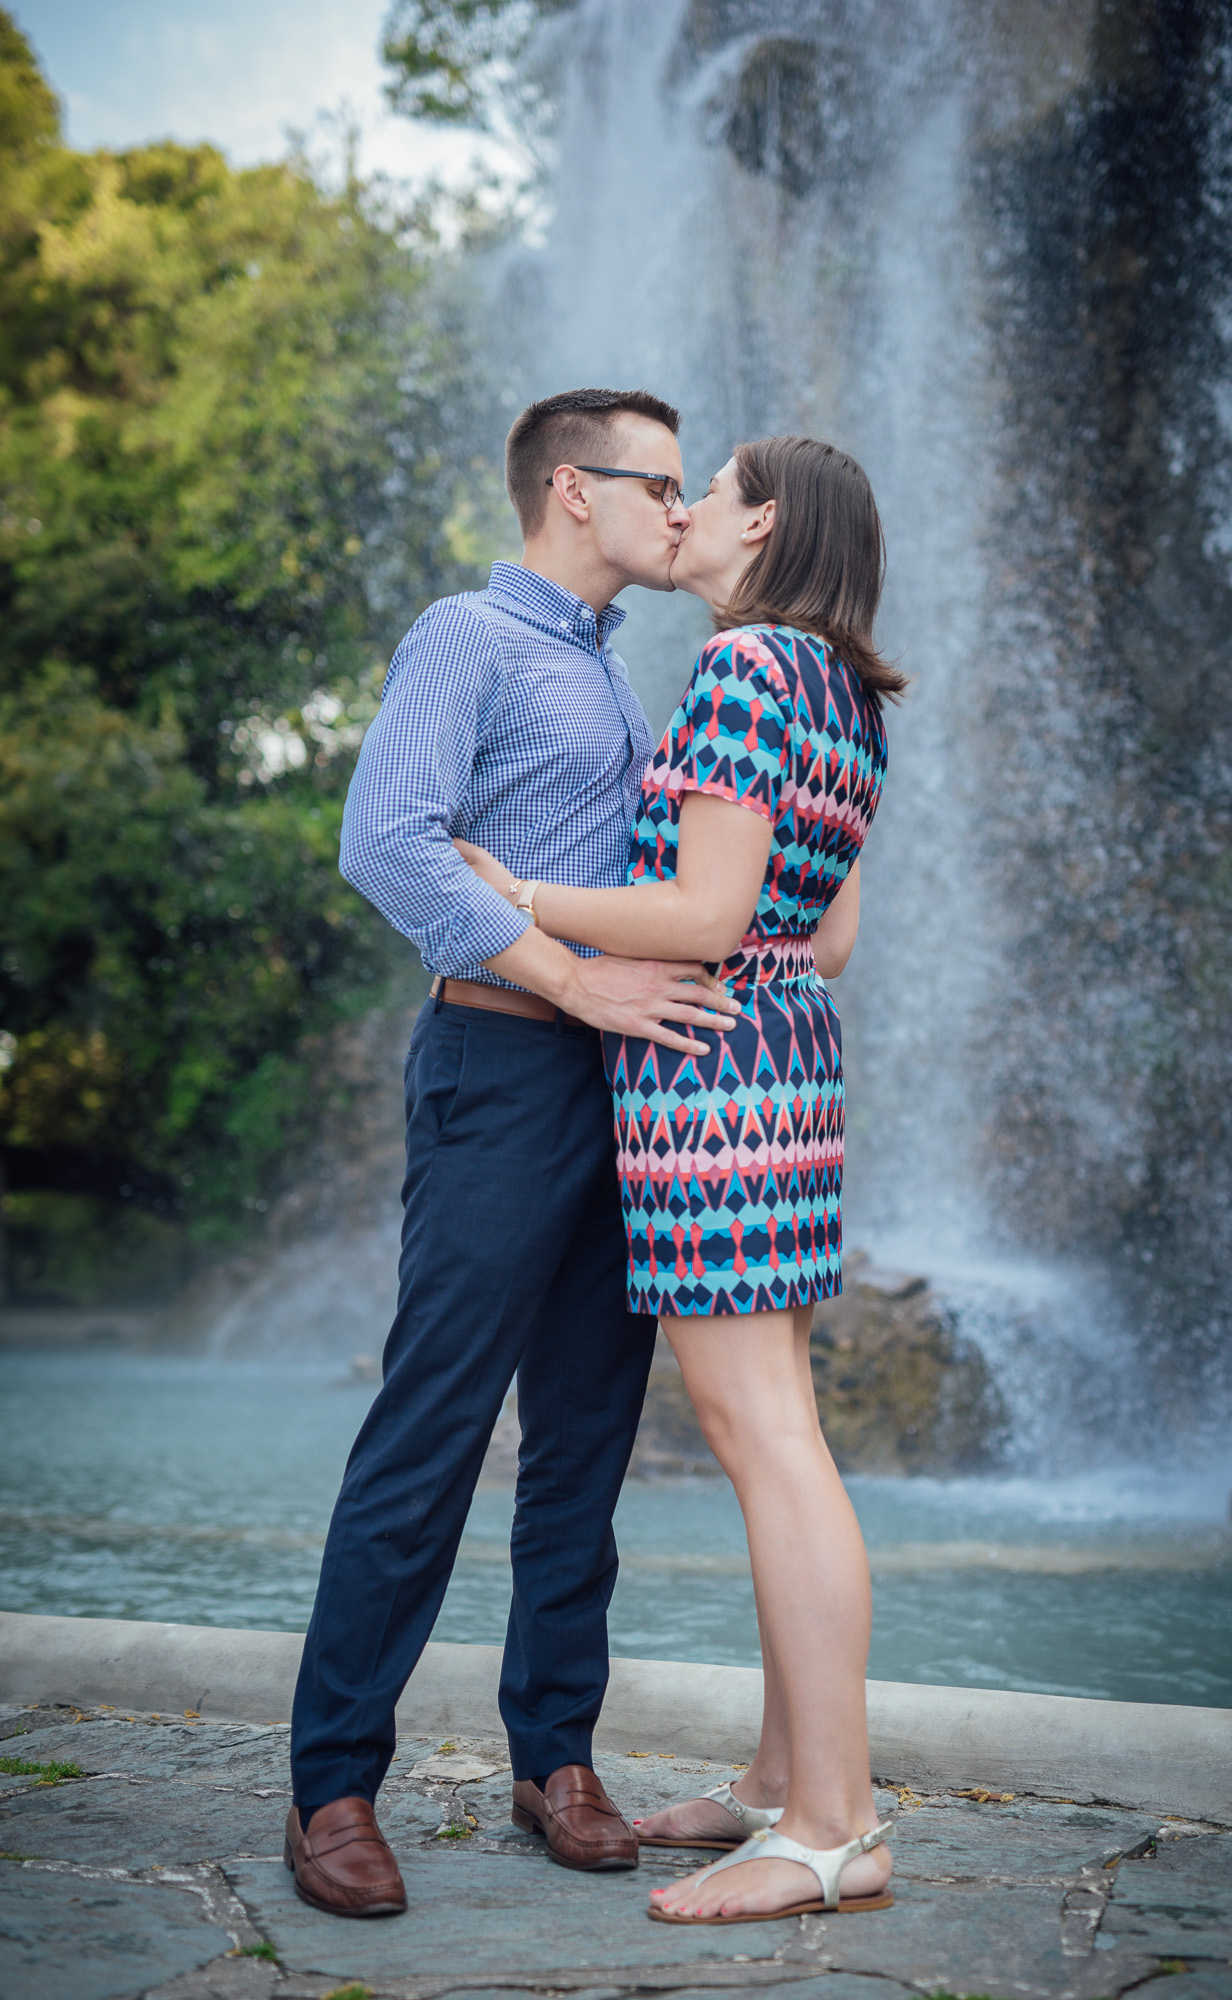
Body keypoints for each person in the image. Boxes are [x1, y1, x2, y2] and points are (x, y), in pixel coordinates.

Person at [284, 388, 743, 1919]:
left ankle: (559, 1759)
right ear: (571, 487)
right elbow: (385, 841)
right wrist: (575, 978)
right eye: (659, 485)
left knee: (588, 1445)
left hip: (627, 1088)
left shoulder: (627, 672)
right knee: (430, 1430)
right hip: (500, 1062)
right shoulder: (463, 640)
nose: (678, 512)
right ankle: (334, 1786)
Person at [458, 434, 904, 1924]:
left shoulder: (743, 672)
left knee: (766, 1437)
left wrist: (511, 890)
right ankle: (785, 1783)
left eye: (704, 490)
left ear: (761, 520)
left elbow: (704, 912)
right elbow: (819, 937)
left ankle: (833, 1829)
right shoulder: (844, 688)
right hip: (786, 1054)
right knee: (781, 1421)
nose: (682, 509)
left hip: (711, 1073)